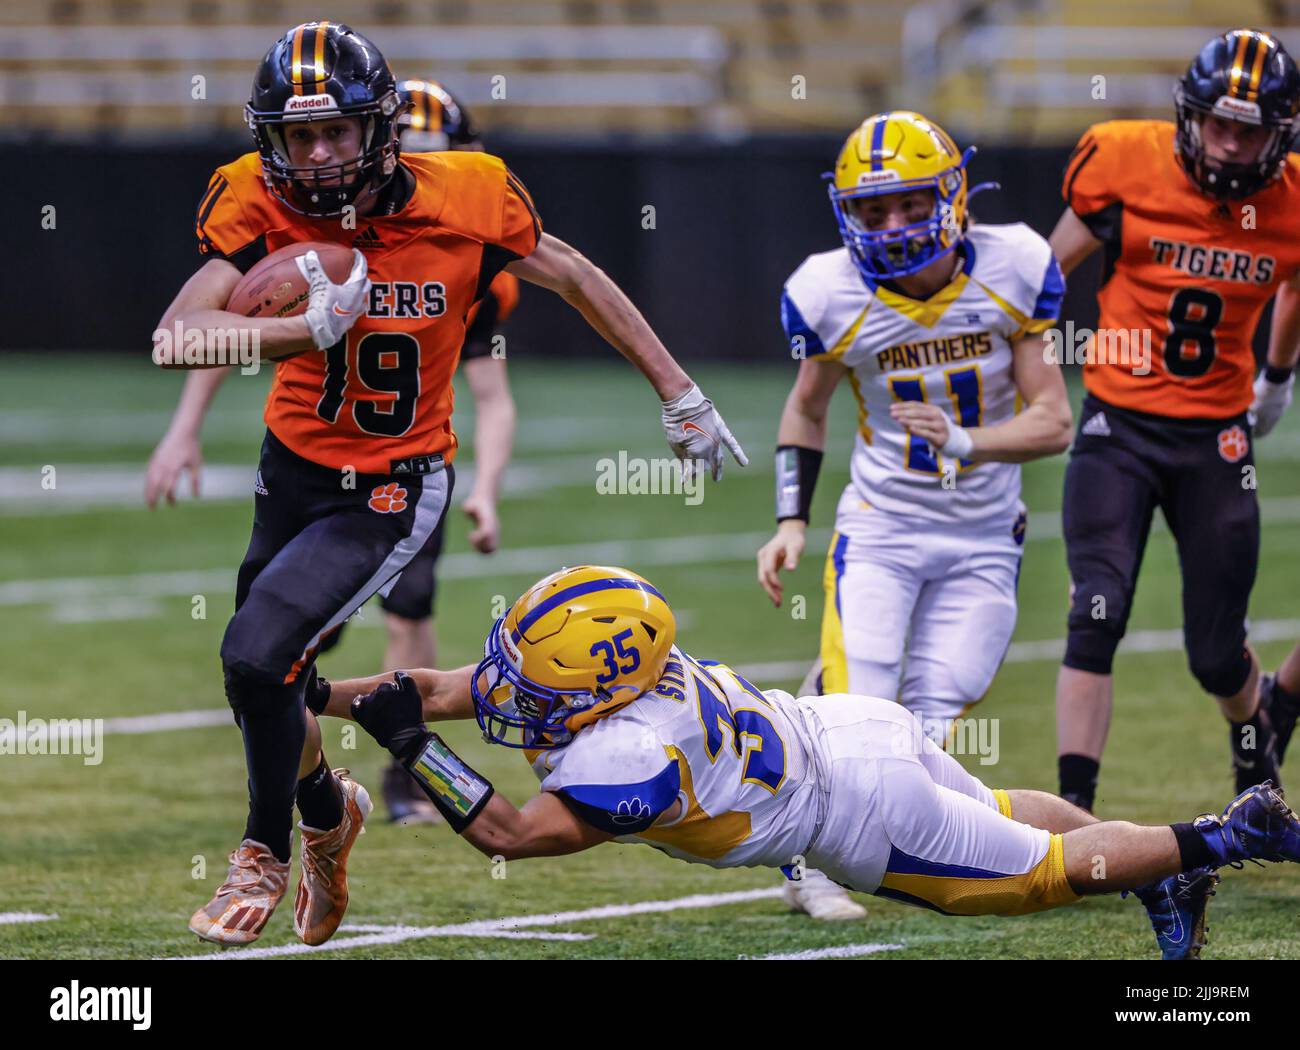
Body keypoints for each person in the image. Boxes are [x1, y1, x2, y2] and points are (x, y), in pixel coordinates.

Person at [158, 21, 745, 947]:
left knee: (252, 655)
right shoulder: (254, 200)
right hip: (293, 472)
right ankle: (328, 809)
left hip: (391, 487)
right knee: (267, 682)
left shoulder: (468, 193)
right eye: (296, 136)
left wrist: (679, 393)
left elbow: (579, 277)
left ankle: (263, 851)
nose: (315, 155)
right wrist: (298, 331)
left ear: (380, 128)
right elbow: (176, 337)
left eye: (336, 132)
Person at [312, 565, 1300, 960]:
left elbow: (512, 836)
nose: (511, 693)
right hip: (849, 728)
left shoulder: (628, 752)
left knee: (1028, 879)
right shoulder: (618, 678)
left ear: (592, 688)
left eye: (535, 685)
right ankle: (1170, 879)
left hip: (856, 814)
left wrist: (414, 751)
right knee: (1003, 807)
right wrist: (318, 696)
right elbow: (439, 686)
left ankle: (1214, 836)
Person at [146, 77, 518, 826]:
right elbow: (216, 327)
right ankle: (321, 794)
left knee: (409, 609)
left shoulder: (464, 241)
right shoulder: (297, 229)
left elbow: (494, 393)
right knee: (268, 658)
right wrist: (186, 423)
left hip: (409, 468)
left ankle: (403, 775)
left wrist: (487, 486)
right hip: (302, 464)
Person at [754, 110, 1072, 918]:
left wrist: (968, 439)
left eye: (909, 203)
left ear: (954, 195)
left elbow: (1053, 420)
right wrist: (792, 520)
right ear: (846, 215)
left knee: (924, 719)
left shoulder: (1015, 264)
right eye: (872, 209)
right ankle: (805, 859)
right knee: (864, 699)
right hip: (883, 529)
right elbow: (805, 411)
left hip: (982, 538)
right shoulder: (827, 292)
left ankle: (848, 801)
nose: (891, 225)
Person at [1048, 28, 1300, 816]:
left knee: (1218, 656)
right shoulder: (1125, 162)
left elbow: (1294, 283)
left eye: (1249, 129)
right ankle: (1077, 817)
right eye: (1218, 123)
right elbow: (1042, 278)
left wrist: (1277, 375)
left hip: (1216, 440)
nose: (1229, 144)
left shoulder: (1291, 203)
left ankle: (1255, 747)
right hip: (1115, 427)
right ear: (1189, 117)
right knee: (1097, 612)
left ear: (1279, 135)